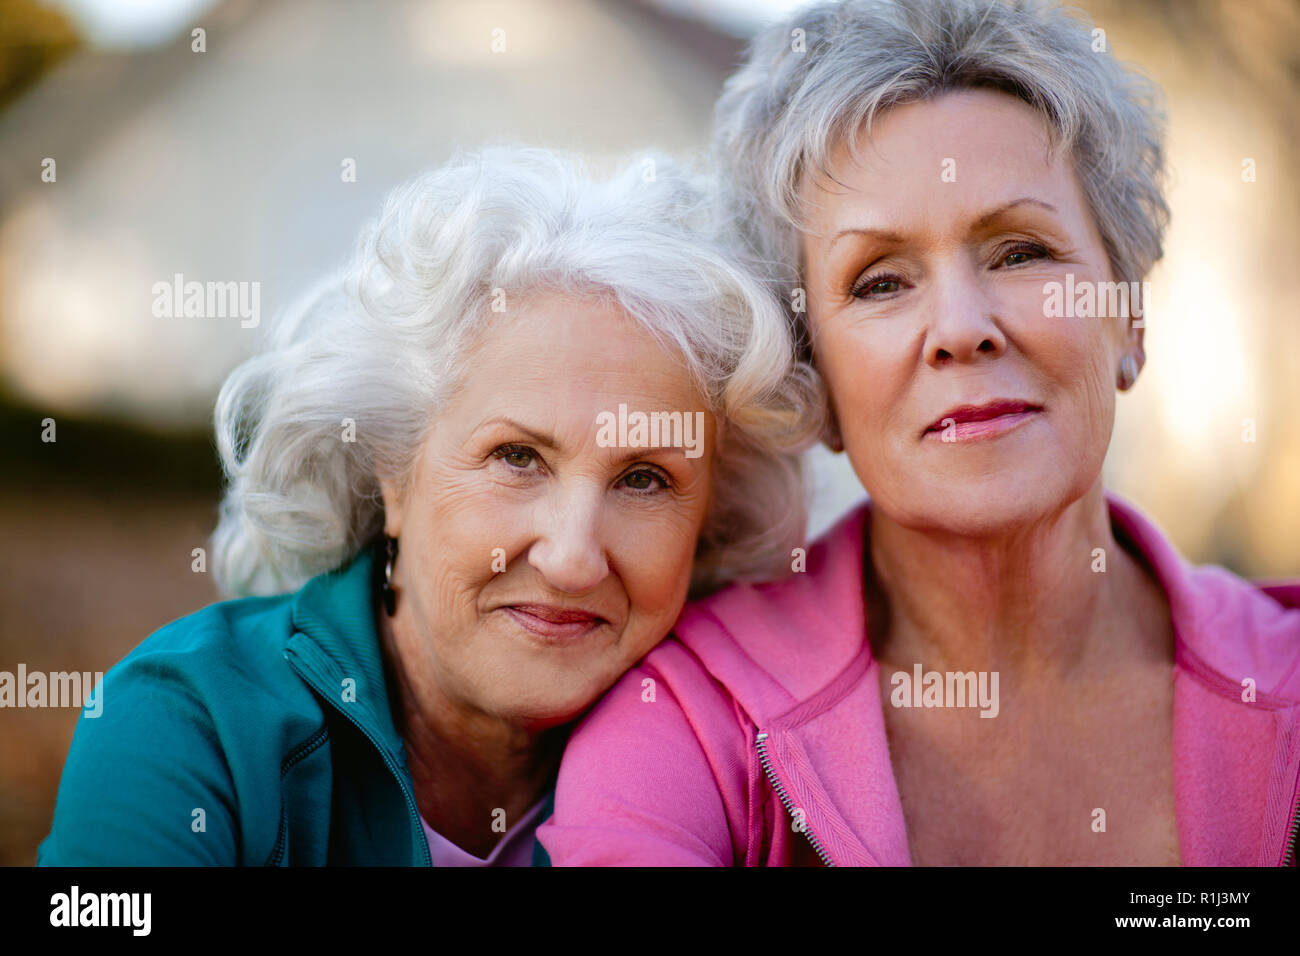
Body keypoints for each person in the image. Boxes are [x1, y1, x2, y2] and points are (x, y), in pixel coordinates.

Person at [538, 0, 1300, 866]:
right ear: (812, 378)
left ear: (1127, 318)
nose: (961, 327)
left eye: (1020, 252)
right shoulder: (689, 720)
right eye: (879, 282)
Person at [37, 147, 820, 865]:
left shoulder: (754, 769)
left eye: (644, 478)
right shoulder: (190, 722)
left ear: (710, 519)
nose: (574, 557)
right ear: (394, 474)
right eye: (517, 458)